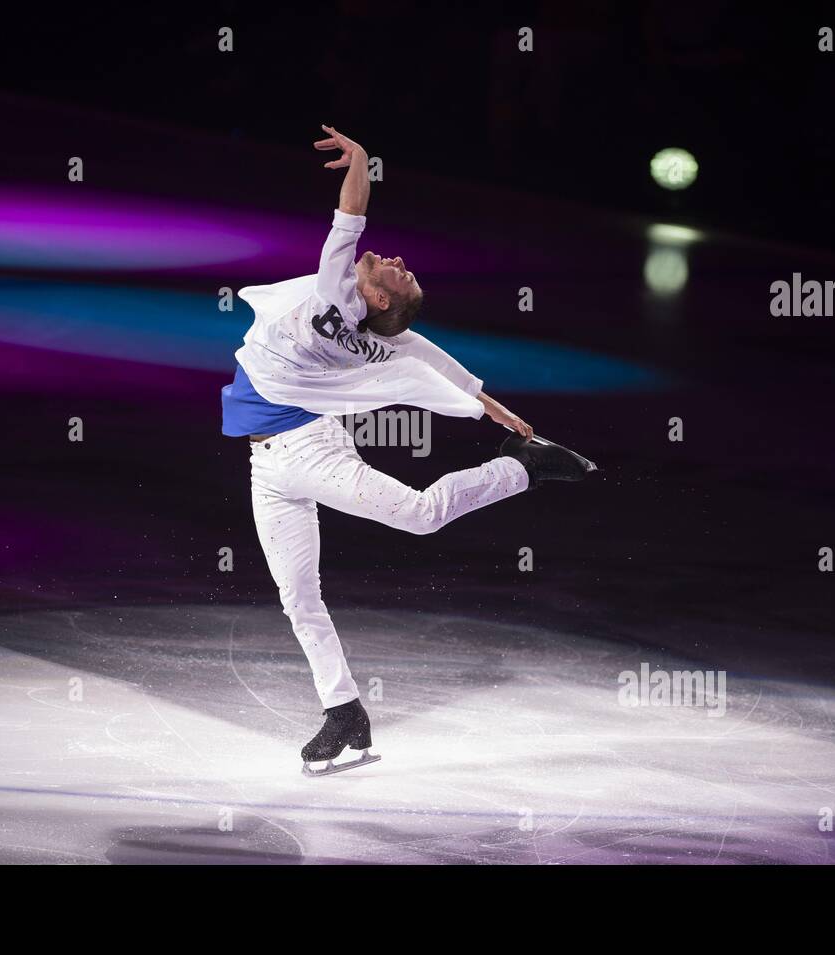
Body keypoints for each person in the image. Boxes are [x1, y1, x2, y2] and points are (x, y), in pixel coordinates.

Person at [221, 125, 594, 776]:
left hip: (310, 448)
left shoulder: (340, 292)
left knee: (420, 512)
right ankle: (344, 711)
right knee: (297, 595)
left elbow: (350, 215)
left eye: (397, 270)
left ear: (378, 296)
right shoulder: (375, 332)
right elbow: (438, 362)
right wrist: (497, 407)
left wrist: (361, 160)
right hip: (269, 463)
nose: (390, 257)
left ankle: (519, 471)